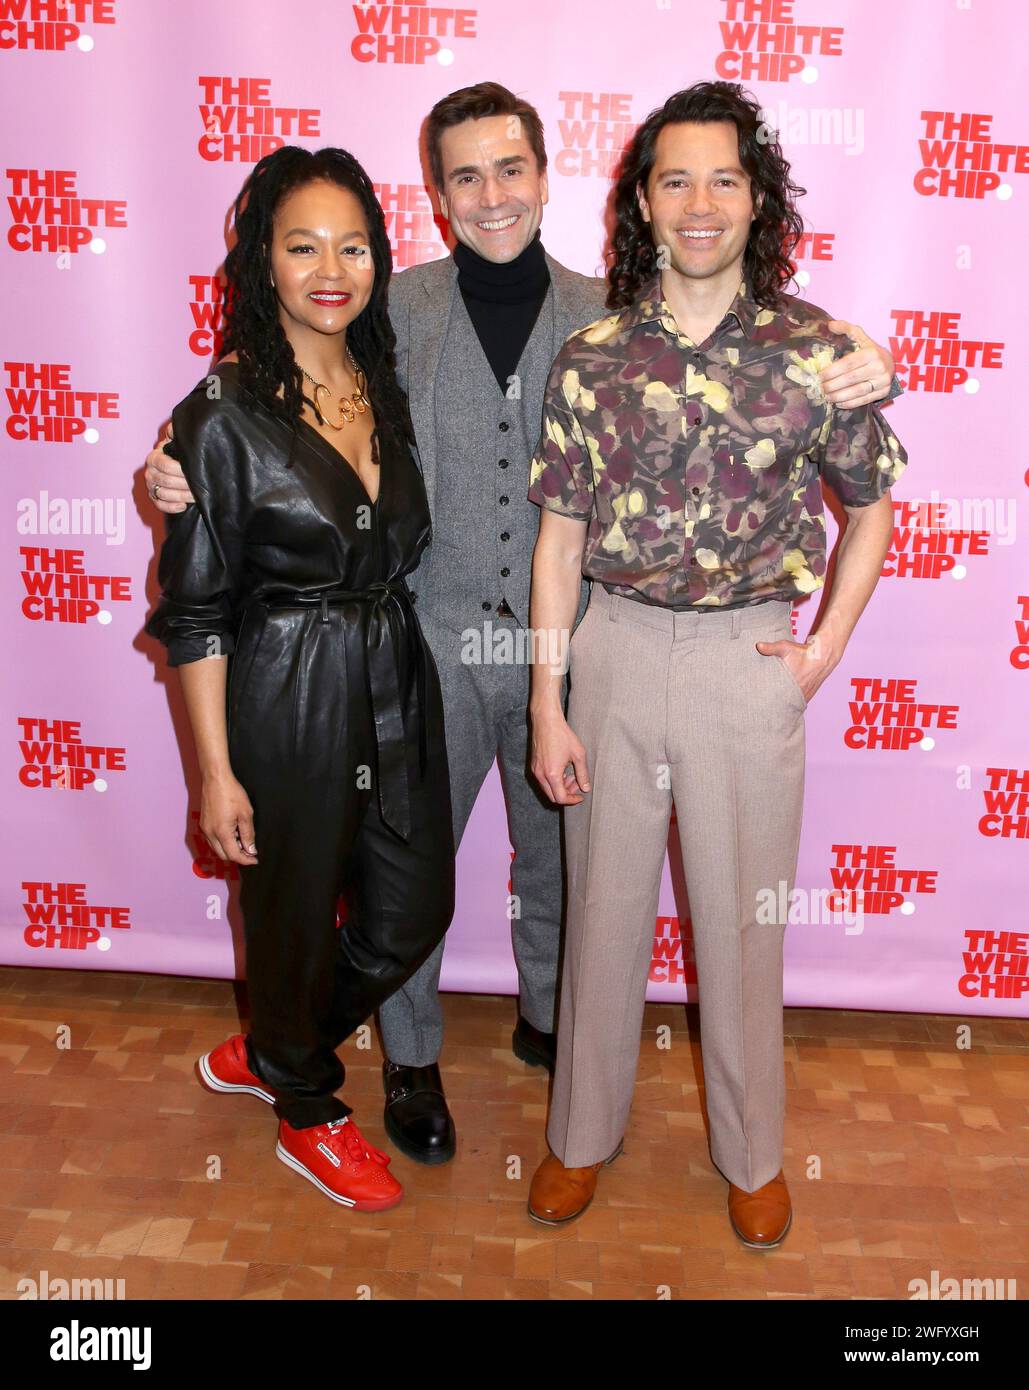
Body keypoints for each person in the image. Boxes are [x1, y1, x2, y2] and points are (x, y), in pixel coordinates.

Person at [144, 82, 899, 1168]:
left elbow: (756, 341)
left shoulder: (608, 312)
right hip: (430, 645)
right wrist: (178, 462)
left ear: (548, 178)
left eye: (511, 169)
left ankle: (552, 1024)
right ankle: (407, 1059)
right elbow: (271, 387)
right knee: (408, 873)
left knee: (566, 862)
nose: (491, 194)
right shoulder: (391, 303)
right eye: (465, 175)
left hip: (576, 641)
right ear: (438, 193)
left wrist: (870, 351)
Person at [524, 81, 908, 1246]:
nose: (700, 203)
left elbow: (875, 504)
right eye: (675, 179)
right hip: (620, 651)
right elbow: (558, 540)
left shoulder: (819, 354)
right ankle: (577, 1139)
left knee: (745, 923)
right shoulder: (591, 356)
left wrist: (821, 653)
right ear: (644, 199)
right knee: (603, 920)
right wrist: (547, 697)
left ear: (758, 197)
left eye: (724, 179)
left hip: (751, 660)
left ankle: (751, 1153)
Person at [144, 146, 455, 1211]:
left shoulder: (384, 379)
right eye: (303, 245)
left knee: (415, 910)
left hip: (392, 672)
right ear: (262, 261)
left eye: (355, 245)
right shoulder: (219, 415)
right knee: (286, 910)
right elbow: (192, 614)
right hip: (285, 689)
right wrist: (215, 775)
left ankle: (277, 1039)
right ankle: (308, 1107)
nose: (333, 268)